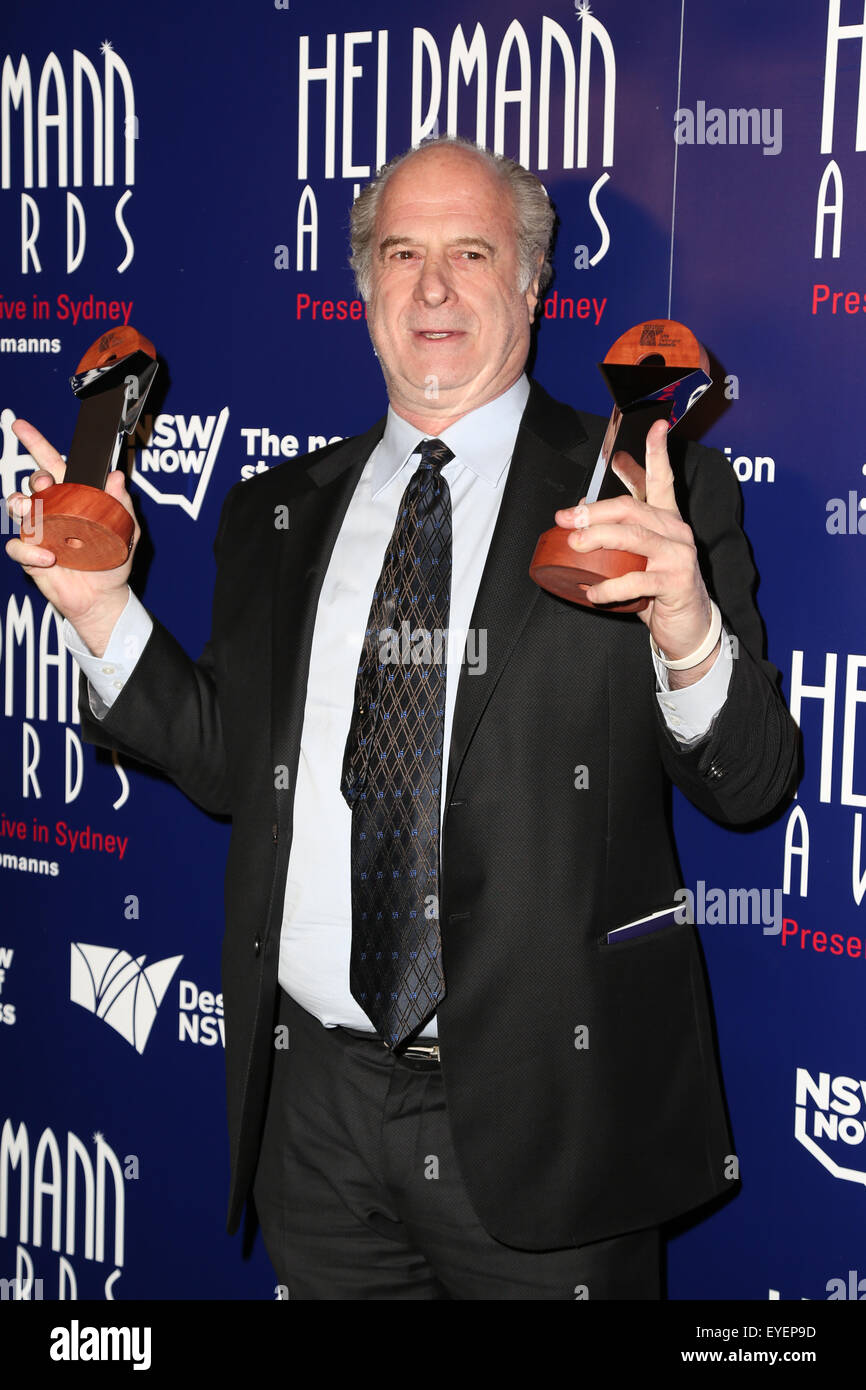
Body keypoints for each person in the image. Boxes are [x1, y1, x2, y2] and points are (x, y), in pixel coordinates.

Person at [5, 136, 798, 1300]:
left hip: (549, 1118)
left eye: (469, 253)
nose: (431, 287)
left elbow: (747, 782)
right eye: (400, 254)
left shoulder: (637, 495)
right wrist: (105, 613)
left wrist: (682, 623)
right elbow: (229, 765)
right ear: (362, 290)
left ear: (530, 288)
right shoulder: (275, 510)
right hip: (314, 1118)